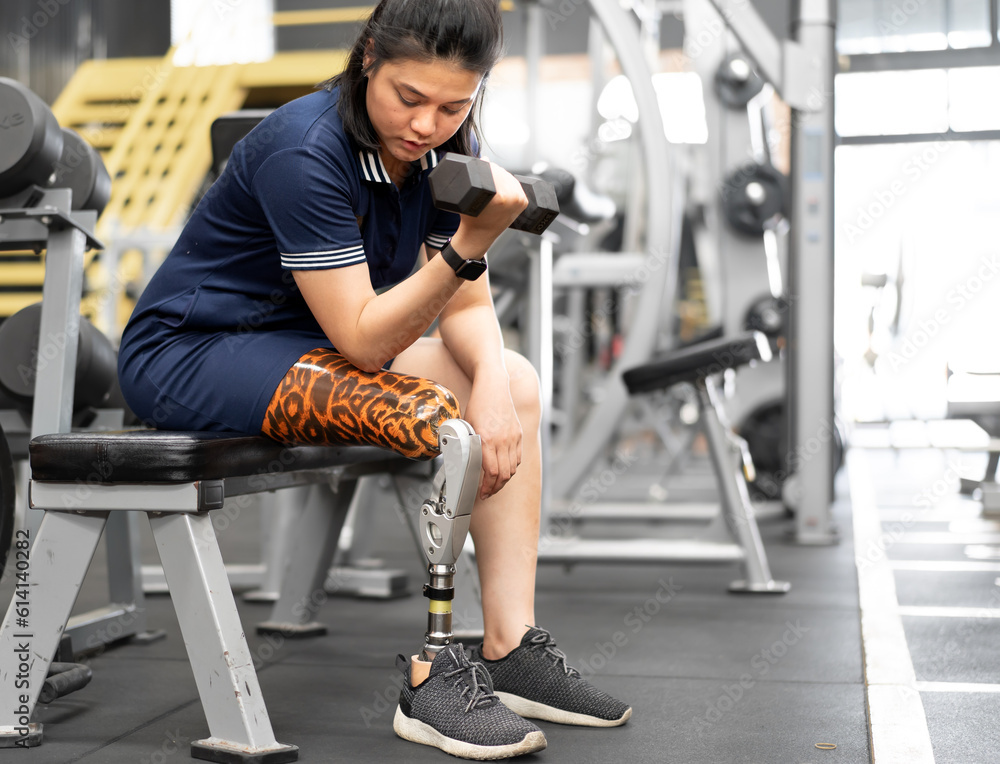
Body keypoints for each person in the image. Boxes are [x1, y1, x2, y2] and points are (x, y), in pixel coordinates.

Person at [118, 0, 631, 758]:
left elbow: (467, 306)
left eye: (453, 106)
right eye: (409, 98)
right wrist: (469, 245)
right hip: (195, 351)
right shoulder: (304, 149)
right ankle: (431, 672)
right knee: (429, 412)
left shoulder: (443, 149)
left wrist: (488, 375)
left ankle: (510, 645)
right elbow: (364, 342)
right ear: (367, 60)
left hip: (308, 344)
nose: (427, 124)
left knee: (514, 381)